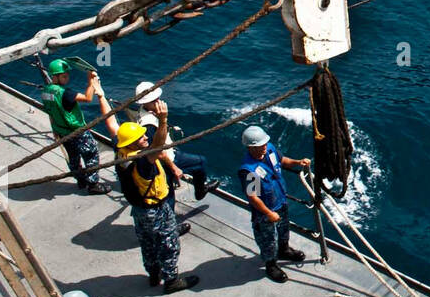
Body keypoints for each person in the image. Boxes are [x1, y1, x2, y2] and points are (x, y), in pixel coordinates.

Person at [115, 111, 199, 294]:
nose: (145, 137)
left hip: (139, 210)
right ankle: (171, 281)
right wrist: (163, 121)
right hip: (156, 209)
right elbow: (158, 145)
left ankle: (153, 274)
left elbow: (155, 151)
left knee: (148, 243)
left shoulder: (122, 154)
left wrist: (172, 166)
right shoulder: (142, 162)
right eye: (140, 137)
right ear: (131, 142)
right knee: (169, 244)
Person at [238, 125, 309, 283]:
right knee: (268, 239)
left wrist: (298, 162)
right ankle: (271, 265)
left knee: (284, 230)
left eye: (264, 144)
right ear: (250, 148)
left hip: (281, 202)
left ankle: (284, 250)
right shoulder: (249, 170)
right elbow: (253, 198)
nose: (263, 147)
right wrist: (269, 213)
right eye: (259, 146)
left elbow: (282, 160)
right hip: (265, 212)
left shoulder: (269, 149)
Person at [132, 81, 223, 200]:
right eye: (154, 100)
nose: (158, 101)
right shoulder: (148, 125)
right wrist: (174, 168)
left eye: (158, 98)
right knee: (167, 196)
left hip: (169, 153)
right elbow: (157, 151)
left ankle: (200, 190)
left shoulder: (144, 111)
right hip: (165, 162)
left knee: (200, 162)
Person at [40, 59, 110, 195]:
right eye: (64, 76)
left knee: (72, 157)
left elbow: (51, 112)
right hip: (76, 131)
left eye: (67, 75)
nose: (67, 78)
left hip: (61, 131)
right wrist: (92, 82)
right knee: (91, 153)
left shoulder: (45, 92)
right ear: (55, 77)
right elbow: (88, 98)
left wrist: (55, 130)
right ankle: (93, 184)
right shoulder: (65, 93)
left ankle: (81, 180)